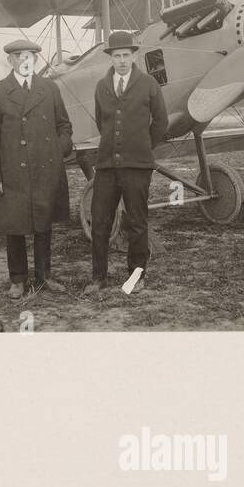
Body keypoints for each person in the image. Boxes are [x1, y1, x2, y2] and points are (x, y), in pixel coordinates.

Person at [0, 38, 73, 299]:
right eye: (19, 56)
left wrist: (57, 149)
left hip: (45, 167)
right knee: (15, 225)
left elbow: (64, 127)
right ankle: (18, 279)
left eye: (30, 56)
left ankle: (45, 275)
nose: (25, 60)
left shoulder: (49, 88)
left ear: (36, 60)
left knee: (44, 223)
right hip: (12, 171)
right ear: (10, 61)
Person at [82, 30, 167, 295]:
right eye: (116, 56)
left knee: (137, 222)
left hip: (137, 166)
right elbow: (101, 122)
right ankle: (98, 278)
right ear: (111, 58)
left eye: (126, 55)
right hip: (107, 165)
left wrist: (141, 147)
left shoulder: (149, 84)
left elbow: (161, 123)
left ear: (134, 56)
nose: (121, 60)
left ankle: (136, 277)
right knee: (100, 221)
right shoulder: (101, 86)